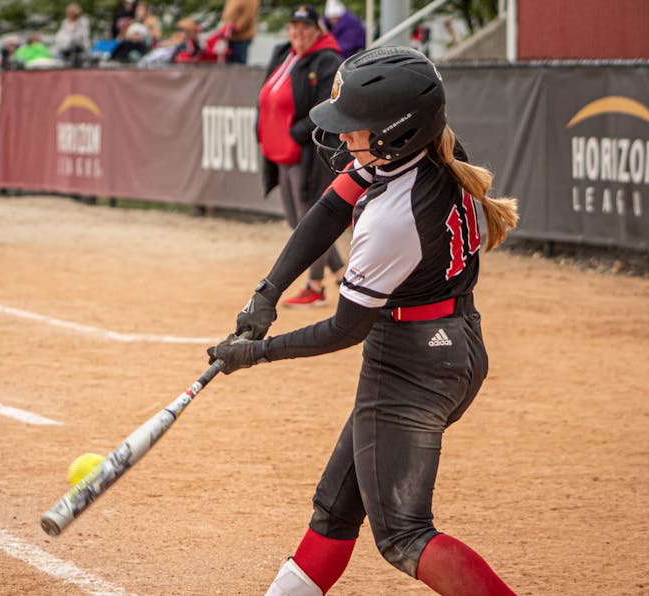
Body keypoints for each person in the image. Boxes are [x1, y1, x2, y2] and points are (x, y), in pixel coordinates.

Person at [207, 46, 519, 595]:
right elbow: (329, 208)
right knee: (335, 505)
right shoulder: (426, 154)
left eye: (357, 127)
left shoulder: (394, 218)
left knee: (402, 534)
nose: (344, 136)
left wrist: (258, 353)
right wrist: (267, 291)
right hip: (445, 345)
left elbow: (345, 329)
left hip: (413, 365)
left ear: (396, 132)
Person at [257, 4, 345, 307]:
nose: (299, 33)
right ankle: (343, 275)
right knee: (299, 222)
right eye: (294, 26)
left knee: (311, 221)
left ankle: (316, 287)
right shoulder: (286, 55)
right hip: (283, 152)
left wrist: (296, 132)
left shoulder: (327, 60)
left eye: (305, 27)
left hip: (308, 152)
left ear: (318, 31)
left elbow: (327, 107)